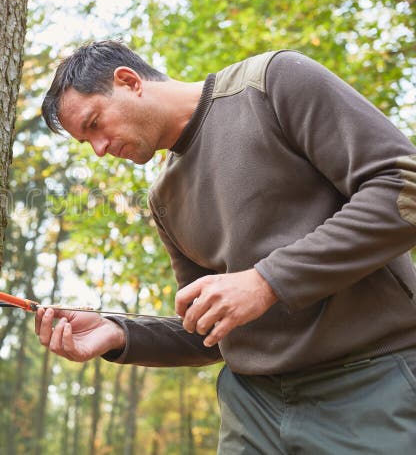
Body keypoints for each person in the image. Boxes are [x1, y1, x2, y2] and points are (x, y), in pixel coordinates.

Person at [35, 40, 416, 453]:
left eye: (94, 123)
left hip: (369, 383)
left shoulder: (272, 84)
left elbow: (405, 191)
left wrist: (267, 281)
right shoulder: (164, 199)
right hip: (252, 409)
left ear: (129, 82)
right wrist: (119, 334)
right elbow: (211, 328)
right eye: (86, 142)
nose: (99, 149)